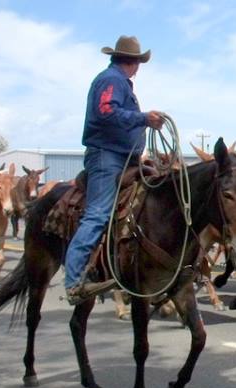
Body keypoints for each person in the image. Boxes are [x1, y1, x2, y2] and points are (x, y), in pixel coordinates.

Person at [64, 35, 164, 304]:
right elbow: (106, 112)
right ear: (133, 63)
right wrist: (143, 118)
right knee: (98, 214)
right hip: (107, 157)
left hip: (126, 159)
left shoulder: (120, 83)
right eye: (138, 62)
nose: (139, 67)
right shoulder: (111, 80)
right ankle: (73, 281)